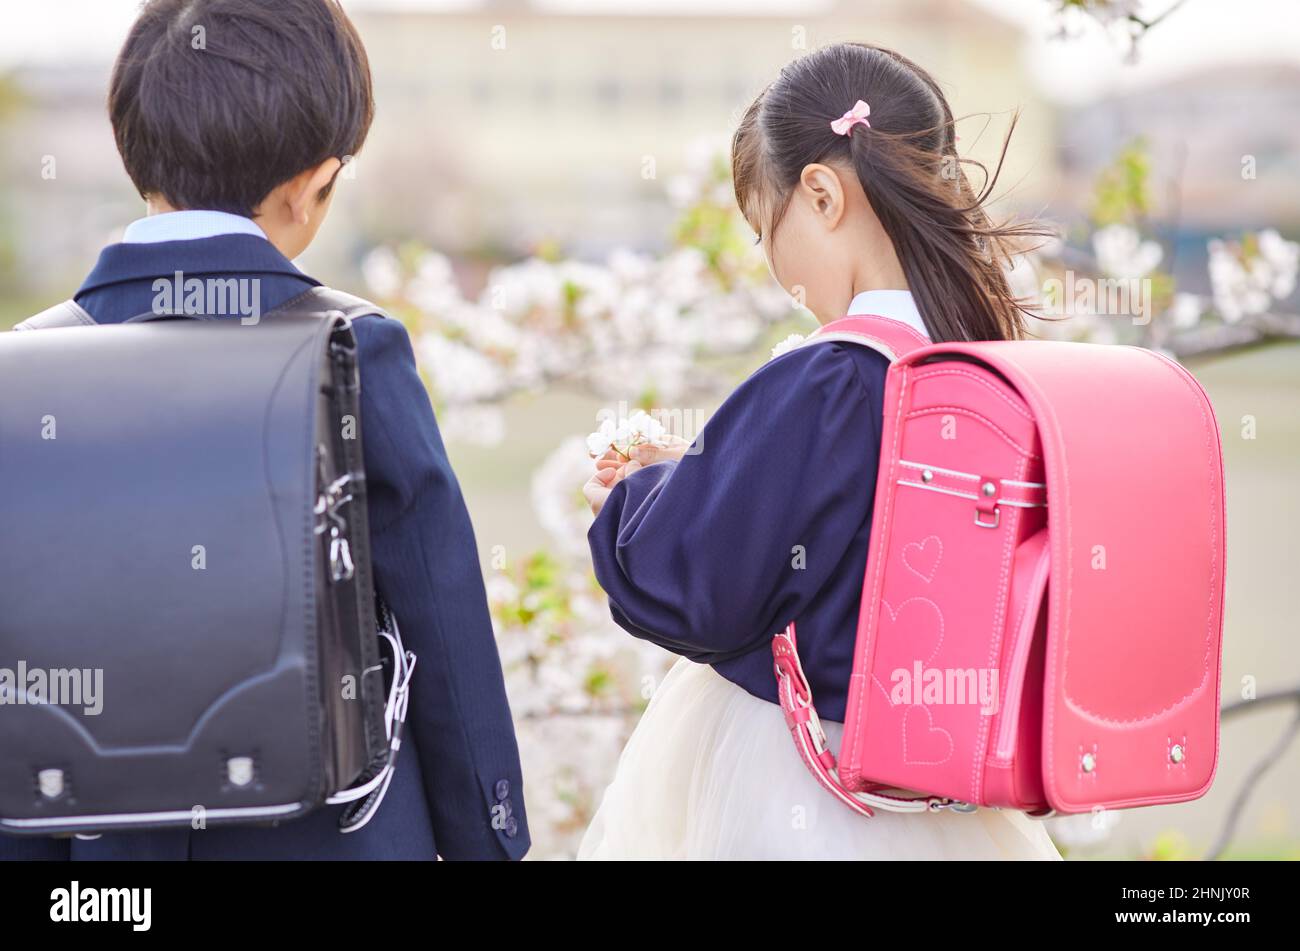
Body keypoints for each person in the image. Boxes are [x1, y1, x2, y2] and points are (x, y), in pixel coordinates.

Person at [1, 0, 527, 861]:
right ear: (313, 184)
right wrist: (490, 838)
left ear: (137, 155)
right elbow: (439, 608)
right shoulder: (353, 346)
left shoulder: (25, 370)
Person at [579, 42, 1061, 860]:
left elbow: (705, 585)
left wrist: (632, 499)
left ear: (821, 194)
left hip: (806, 778)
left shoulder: (831, 377)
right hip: (944, 795)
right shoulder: (989, 367)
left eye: (767, 228)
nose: (771, 262)